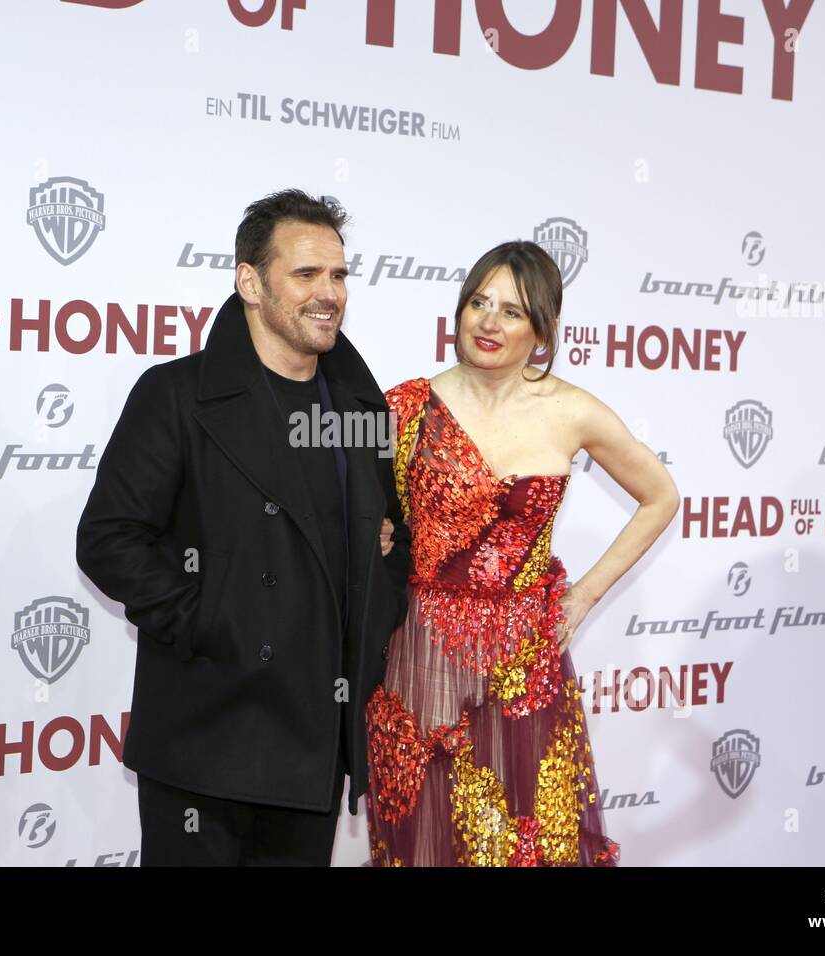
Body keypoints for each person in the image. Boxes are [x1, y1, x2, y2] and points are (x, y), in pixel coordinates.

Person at [76, 189, 410, 866]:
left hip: (313, 745)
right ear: (250, 282)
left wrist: (379, 596)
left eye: (340, 276)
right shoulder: (177, 395)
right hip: (208, 736)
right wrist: (213, 620)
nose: (329, 294)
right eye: (307, 274)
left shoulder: (359, 407)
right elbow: (108, 538)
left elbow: (395, 542)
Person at [365, 240, 679, 866]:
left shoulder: (571, 411)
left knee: (524, 846)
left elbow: (660, 496)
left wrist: (583, 595)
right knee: (426, 846)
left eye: (511, 311)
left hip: (523, 665)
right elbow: (356, 516)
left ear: (543, 330)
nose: (488, 321)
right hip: (420, 662)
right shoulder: (403, 408)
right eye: (478, 302)